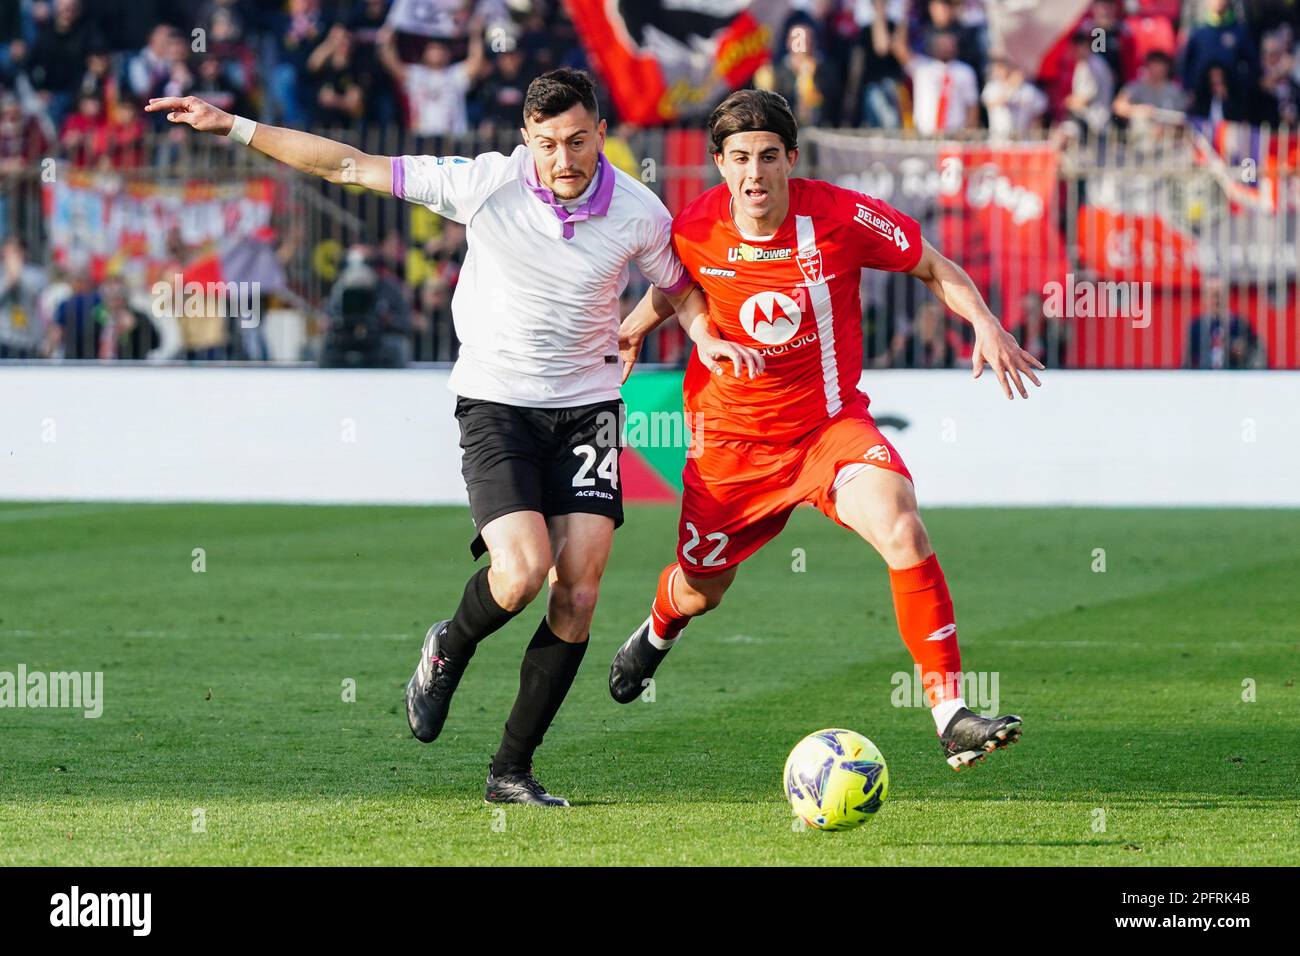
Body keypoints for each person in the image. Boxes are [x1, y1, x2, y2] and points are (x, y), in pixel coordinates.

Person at [145, 68, 759, 805]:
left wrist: (703, 337)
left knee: (581, 589)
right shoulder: (483, 184)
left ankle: (511, 772)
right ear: (524, 141)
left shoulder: (639, 210)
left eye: (576, 141)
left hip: (589, 405)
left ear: (600, 133)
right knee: (523, 572)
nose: (562, 160)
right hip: (496, 404)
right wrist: (236, 126)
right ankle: (449, 644)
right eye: (546, 144)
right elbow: (348, 164)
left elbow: (678, 284)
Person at [610, 90, 1042, 771]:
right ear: (719, 163)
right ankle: (661, 625)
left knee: (901, 524)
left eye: (769, 157)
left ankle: (950, 714)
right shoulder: (693, 226)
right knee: (702, 589)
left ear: (792, 160)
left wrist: (984, 321)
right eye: (740, 158)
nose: (755, 174)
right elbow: (678, 284)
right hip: (731, 442)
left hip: (827, 430)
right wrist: (635, 325)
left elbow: (932, 264)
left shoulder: (840, 217)